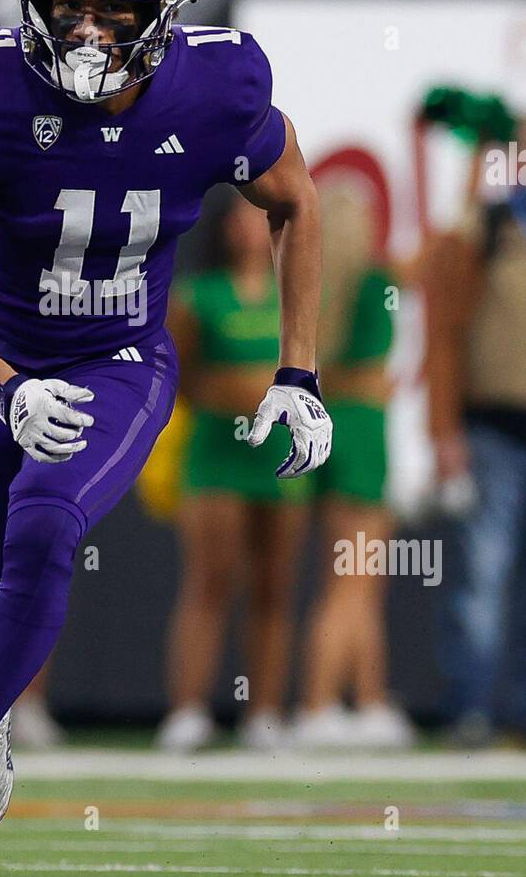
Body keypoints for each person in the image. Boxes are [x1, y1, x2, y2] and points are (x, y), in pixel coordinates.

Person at [0, 0, 332, 877]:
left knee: (42, 528)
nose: (82, 29)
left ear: (156, 17)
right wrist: (1, 389)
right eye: (64, 5)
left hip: (116, 354)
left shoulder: (217, 88)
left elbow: (295, 203)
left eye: (110, 12)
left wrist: (298, 371)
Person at [157, 195, 310, 753]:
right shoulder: (197, 297)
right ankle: (188, 710)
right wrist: (232, 399)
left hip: (279, 457)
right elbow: (180, 375)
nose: (248, 227)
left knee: (274, 585)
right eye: (238, 218)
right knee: (209, 580)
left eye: (258, 216)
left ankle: (264, 713)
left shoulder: (290, 295)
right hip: (219, 452)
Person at [290, 184, 412, 749]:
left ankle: (368, 700)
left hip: (333, 431)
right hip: (363, 436)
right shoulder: (375, 283)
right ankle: (316, 705)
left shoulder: (321, 289)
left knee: (358, 579)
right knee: (352, 583)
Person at [427, 152, 526, 746]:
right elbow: (446, 333)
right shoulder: (486, 229)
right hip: (492, 424)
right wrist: (444, 429)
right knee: (485, 574)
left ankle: (518, 711)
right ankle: (471, 708)